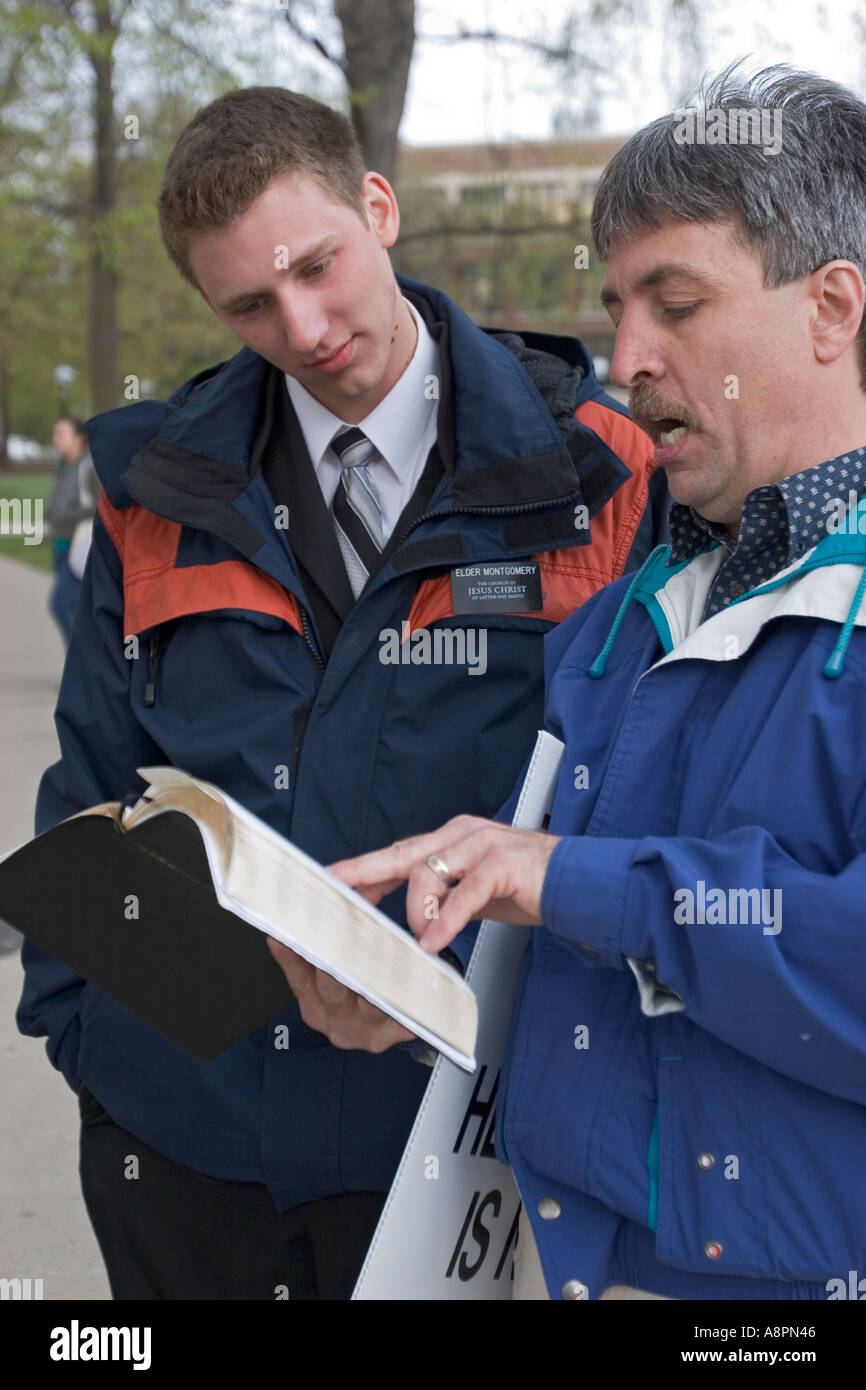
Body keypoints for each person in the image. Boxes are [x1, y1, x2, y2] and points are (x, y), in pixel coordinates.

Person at [17, 85, 665, 1301]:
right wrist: (89, 1043)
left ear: (379, 206)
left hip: (456, 1146)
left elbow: (641, 808)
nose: (305, 327)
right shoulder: (149, 483)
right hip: (180, 1147)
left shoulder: (601, 467)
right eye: (250, 304)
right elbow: (93, 790)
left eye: (319, 267)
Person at [322, 64, 866, 1300]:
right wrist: (416, 975)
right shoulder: (623, 610)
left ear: (830, 307)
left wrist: (570, 879)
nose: (624, 358)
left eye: (674, 303)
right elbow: (570, 933)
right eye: (618, 304)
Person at [46, 416, 99, 642]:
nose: (55, 439)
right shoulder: (64, 466)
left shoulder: (89, 467)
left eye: (61, 434)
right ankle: (81, 668)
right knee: (75, 611)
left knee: (60, 604)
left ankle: (81, 665)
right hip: (61, 547)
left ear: (80, 438)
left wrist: (64, 517)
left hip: (81, 551)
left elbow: (101, 505)